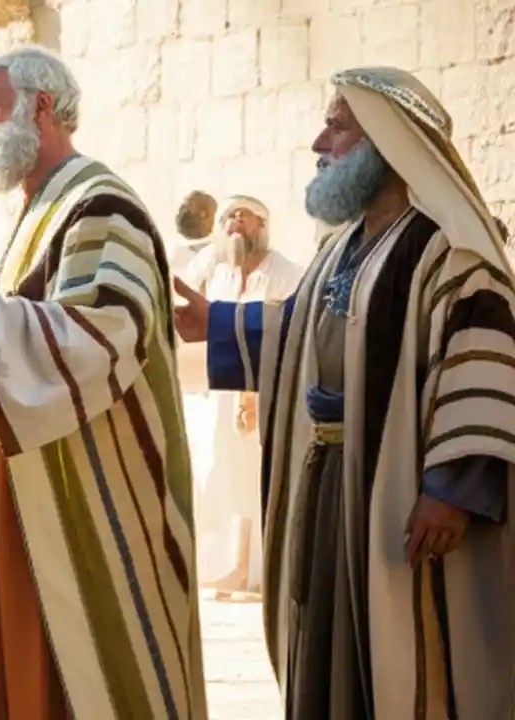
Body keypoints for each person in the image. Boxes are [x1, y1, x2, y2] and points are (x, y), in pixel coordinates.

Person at [173, 67, 515, 719]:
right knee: (322, 641)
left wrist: (450, 490)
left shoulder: (451, 252)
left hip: (402, 502)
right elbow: (305, 335)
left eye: (337, 125)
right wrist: (212, 323)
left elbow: (483, 367)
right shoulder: (341, 250)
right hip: (328, 484)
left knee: (404, 661)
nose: (317, 142)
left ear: (386, 141)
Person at [0, 46, 206, 720]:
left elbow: (109, 330)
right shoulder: (41, 206)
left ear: (40, 107)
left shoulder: (100, 203)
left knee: (88, 674)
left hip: (94, 497)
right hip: (32, 476)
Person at [178, 195, 302, 598]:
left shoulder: (285, 273)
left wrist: (253, 394)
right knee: (221, 477)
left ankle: (256, 569)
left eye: (243, 216)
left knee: (255, 477)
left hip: (260, 395)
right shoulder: (219, 272)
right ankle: (228, 566)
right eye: (229, 216)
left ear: (261, 225)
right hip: (218, 397)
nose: (235, 222)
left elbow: (287, 333)